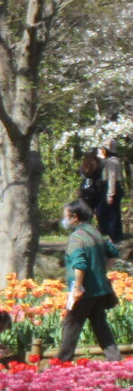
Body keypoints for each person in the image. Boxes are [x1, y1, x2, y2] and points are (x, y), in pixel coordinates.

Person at [57, 200, 122, 362]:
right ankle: (115, 359)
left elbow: (79, 264)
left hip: (85, 290)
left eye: (65, 216)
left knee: (71, 324)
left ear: (74, 217)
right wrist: (102, 270)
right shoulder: (95, 232)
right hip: (100, 289)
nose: (63, 219)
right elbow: (114, 252)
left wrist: (77, 287)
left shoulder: (76, 238)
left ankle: (61, 363)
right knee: (100, 325)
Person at [101, 144, 124, 243]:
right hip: (116, 186)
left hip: (112, 186)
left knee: (111, 212)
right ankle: (116, 235)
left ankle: (114, 235)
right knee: (115, 212)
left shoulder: (111, 162)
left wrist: (110, 193)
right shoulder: (116, 160)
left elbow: (112, 178)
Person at [79, 150, 107, 225]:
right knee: (99, 213)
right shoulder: (99, 165)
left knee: (87, 213)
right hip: (96, 190)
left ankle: (86, 228)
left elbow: (82, 175)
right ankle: (101, 229)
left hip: (86, 191)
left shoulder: (84, 166)